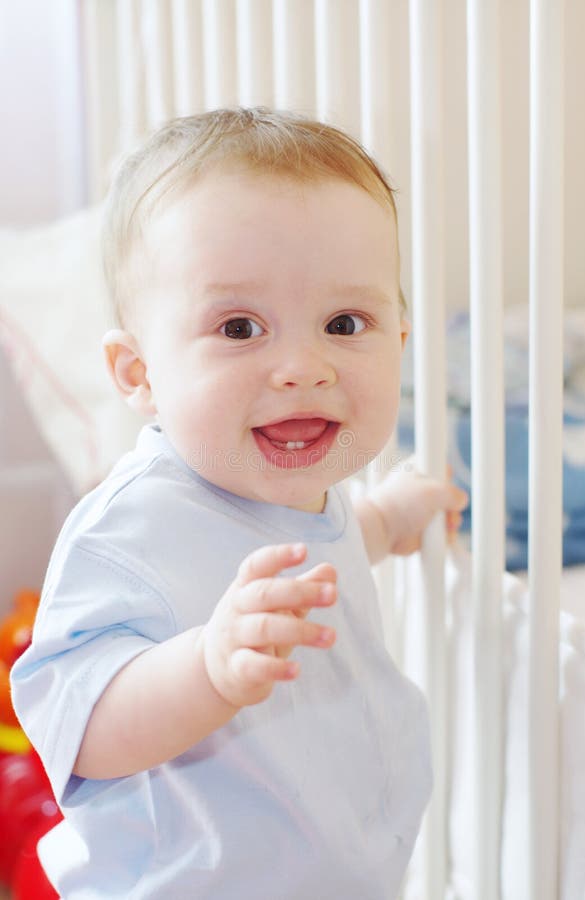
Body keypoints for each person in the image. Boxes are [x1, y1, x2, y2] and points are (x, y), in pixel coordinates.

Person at [12, 107, 468, 899]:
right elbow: (74, 724)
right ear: (138, 373)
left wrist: (385, 521)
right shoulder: (130, 528)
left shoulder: (290, 487)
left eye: (344, 322)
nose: (302, 365)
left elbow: (306, 556)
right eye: (240, 326)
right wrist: (206, 669)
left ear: (398, 344)